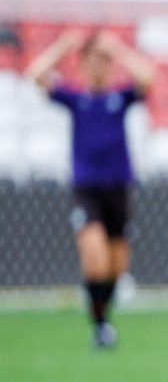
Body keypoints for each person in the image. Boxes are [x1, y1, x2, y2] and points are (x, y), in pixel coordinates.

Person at [25, 29, 155, 348]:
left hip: (118, 189)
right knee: (94, 255)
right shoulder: (75, 99)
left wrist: (118, 49)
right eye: (92, 60)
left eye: (103, 60)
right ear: (83, 65)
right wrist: (62, 47)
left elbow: (148, 78)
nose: (98, 66)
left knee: (115, 265)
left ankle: (103, 319)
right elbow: (35, 75)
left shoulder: (120, 98)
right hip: (87, 189)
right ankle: (99, 327)